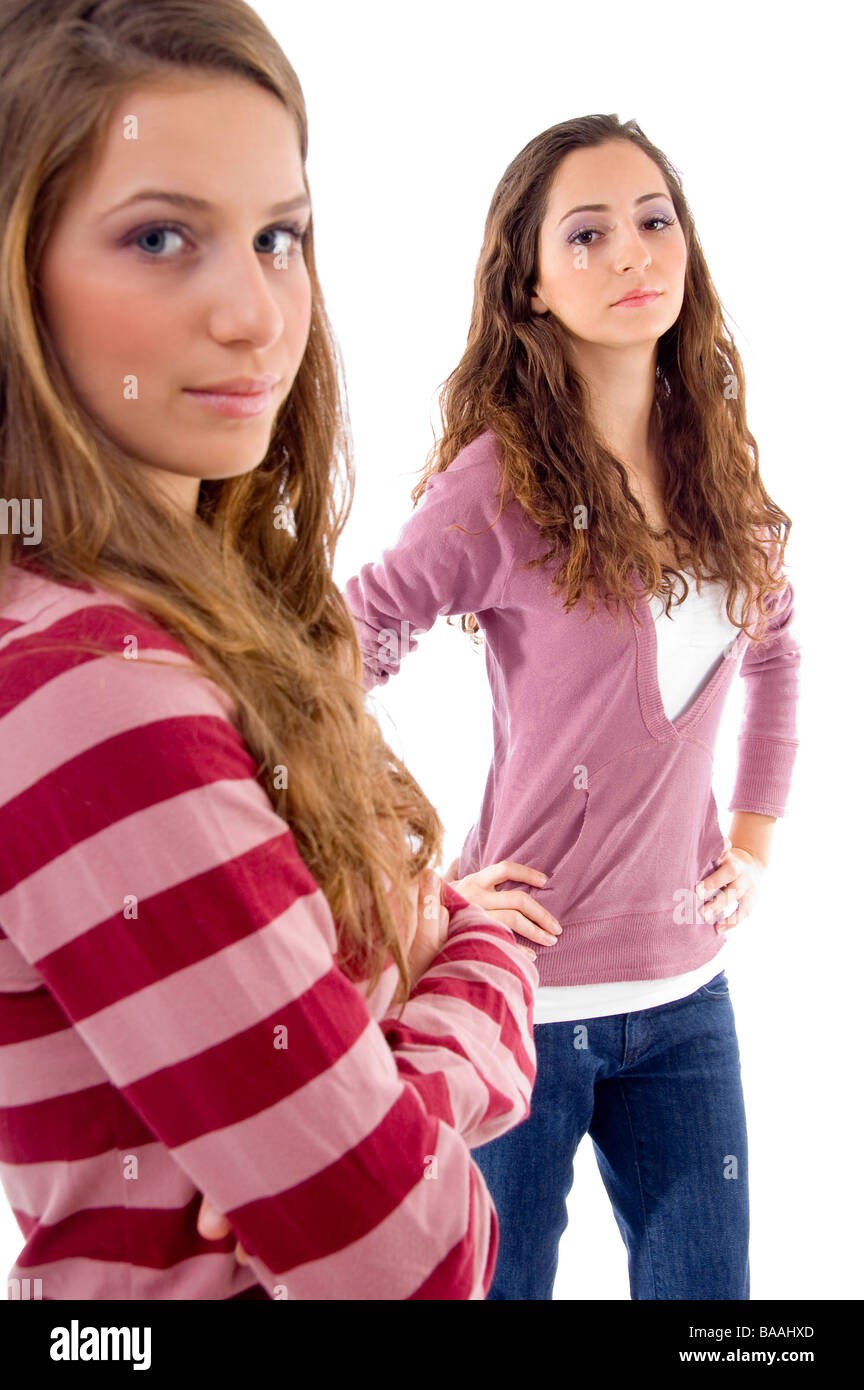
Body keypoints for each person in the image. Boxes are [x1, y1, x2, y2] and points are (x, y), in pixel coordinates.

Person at [0, 0, 537, 1301]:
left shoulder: (162, 628)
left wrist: (381, 1073)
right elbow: (410, 1252)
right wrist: (487, 970)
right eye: (161, 237)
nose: (256, 315)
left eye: (279, 235)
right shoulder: (91, 694)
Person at [338, 116, 801, 1299]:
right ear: (531, 284)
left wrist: (751, 843)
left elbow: (777, 648)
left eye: (655, 220)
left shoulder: (719, 469)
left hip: (690, 999)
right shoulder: (501, 483)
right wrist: (416, 883)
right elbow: (336, 652)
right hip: (518, 1009)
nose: (632, 251)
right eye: (585, 234)